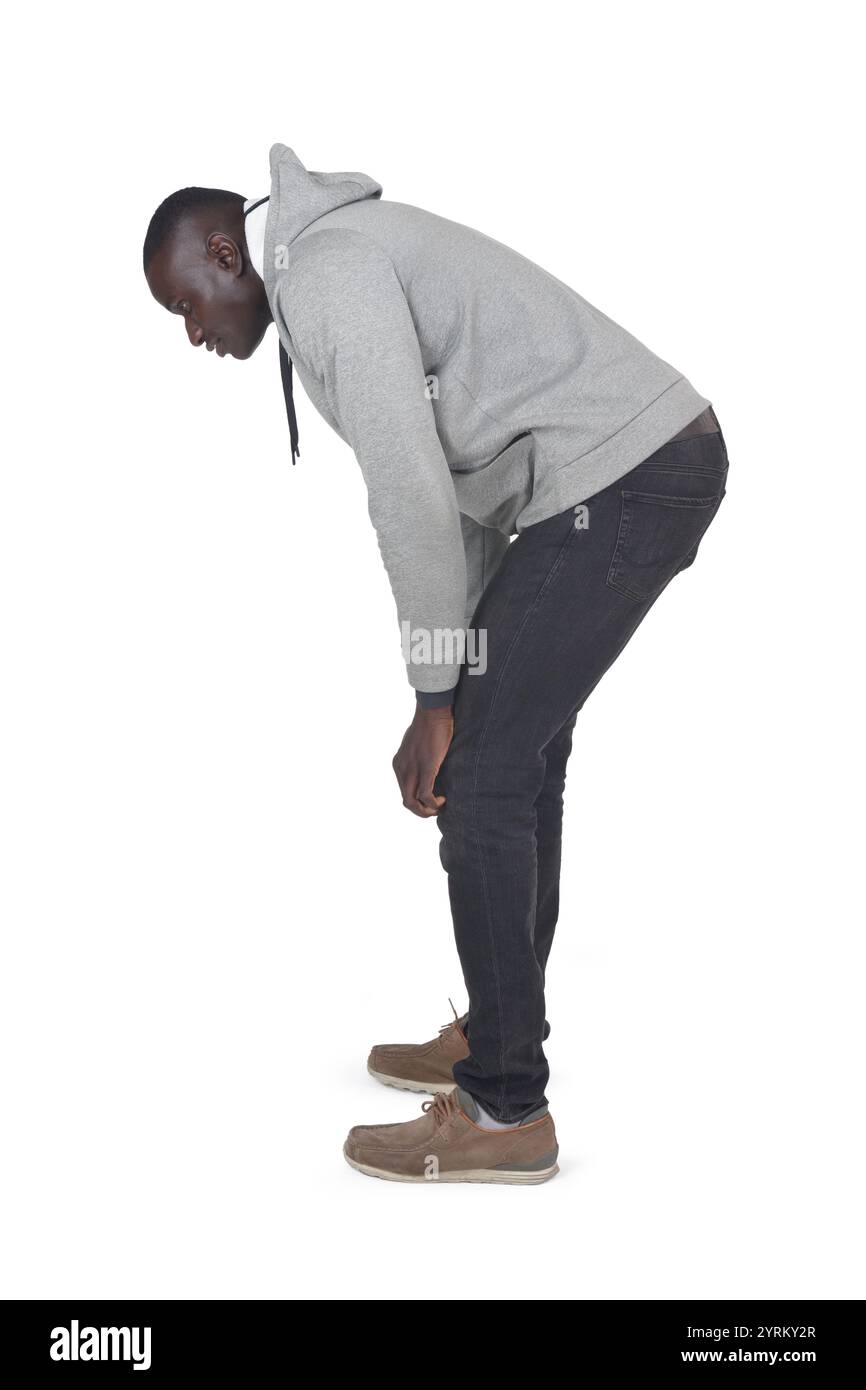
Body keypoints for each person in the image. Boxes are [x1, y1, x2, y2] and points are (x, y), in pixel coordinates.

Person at [144, 144, 729, 1184]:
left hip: (626, 472)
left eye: (185, 302)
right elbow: (455, 500)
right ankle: (498, 1031)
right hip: (600, 483)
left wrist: (429, 697)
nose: (191, 332)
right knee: (509, 755)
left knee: (490, 773)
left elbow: (408, 491)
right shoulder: (330, 278)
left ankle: (505, 1109)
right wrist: (447, 686)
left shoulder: (327, 274)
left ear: (226, 252)